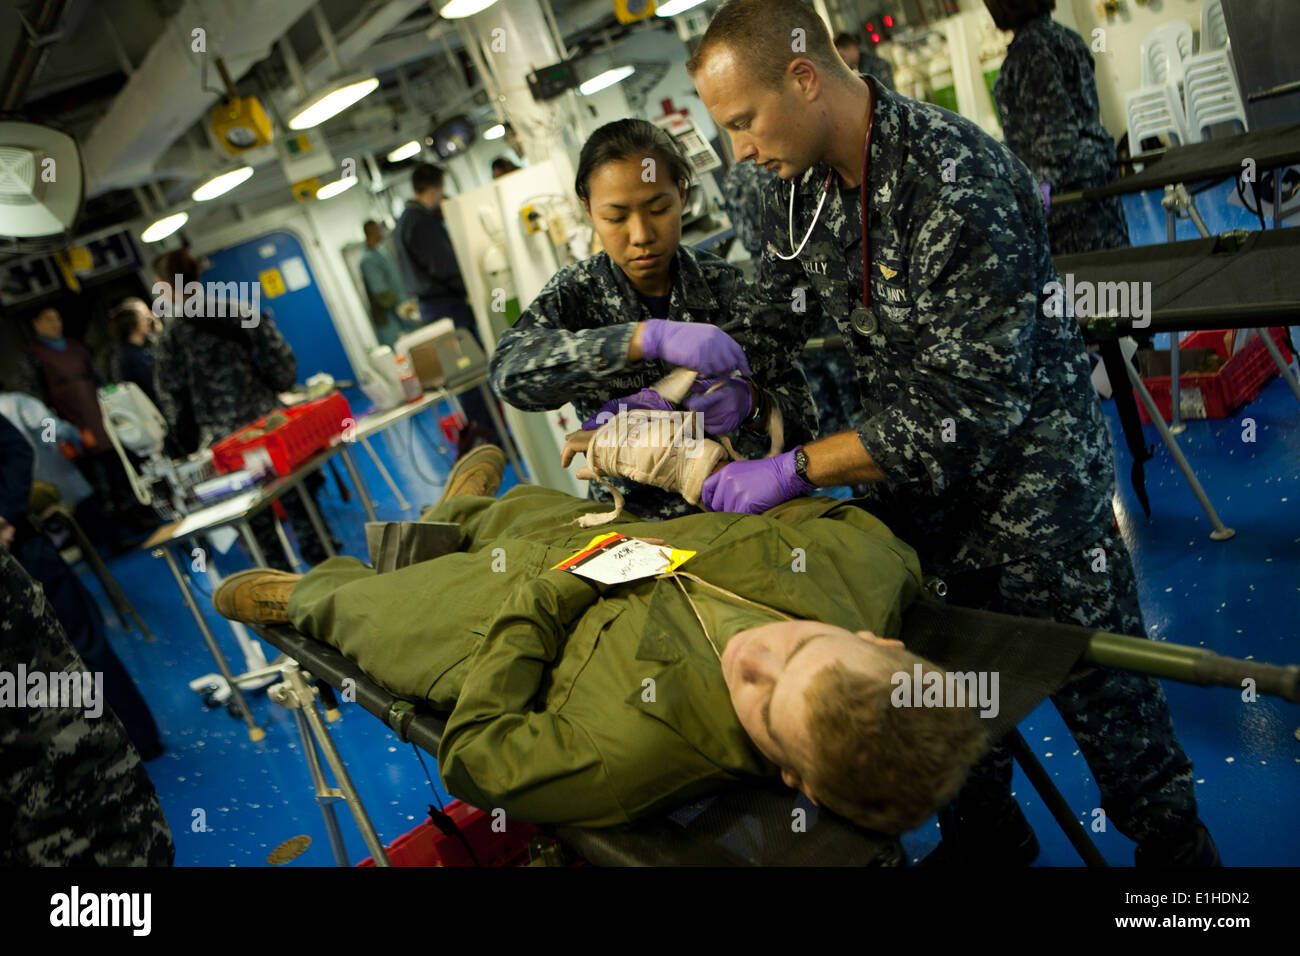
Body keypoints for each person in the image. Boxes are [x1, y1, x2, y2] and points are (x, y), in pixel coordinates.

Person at [678, 0, 1214, 865]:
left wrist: (798, 469)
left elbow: (963, 412)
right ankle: (992, 848)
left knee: (1124, 738)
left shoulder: (956, 180)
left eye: (743, 120)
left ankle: (1186, 887)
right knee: (953, 744)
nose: (739, 147)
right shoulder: (803, 189)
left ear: (805, 79)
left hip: (1037, 516)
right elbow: (783, 308)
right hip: (928, 525)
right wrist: (709, 372)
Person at [213, 449, 988, 833]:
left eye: (761, 699)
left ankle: (305, 595)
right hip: (599, 535)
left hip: (483, 618)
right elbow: (846, 523)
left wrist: (552, 597)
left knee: (372, 608)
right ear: (873, 642)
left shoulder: (630, 759)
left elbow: (477, 752)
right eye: (796, 647)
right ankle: (459, 514)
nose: (754, 655)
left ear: (797, 782)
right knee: (523, 509)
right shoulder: (866, 570)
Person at [491, 118, 800, 520]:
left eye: (658, 208)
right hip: (634, 528)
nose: (640, 235)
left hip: (736, 513)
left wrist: (754, 407)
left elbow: (802, 417)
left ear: (683, 195)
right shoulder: (577, 293)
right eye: (616, 218)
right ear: (587, 210)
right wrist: (638, 339)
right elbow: (509, 374)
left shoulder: (724, 287)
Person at [151, 248, 337, 571]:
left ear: (165, 287)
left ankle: (281, 597)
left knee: (256, 529)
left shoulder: (170, 340)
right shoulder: (241, 311)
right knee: (305, 511)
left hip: (227, 453)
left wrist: (188, 442)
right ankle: (331, 576)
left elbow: (175, 408)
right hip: (272, 433)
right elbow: (283, 372)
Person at [0, 414, 164, 761]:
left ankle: (138, 738)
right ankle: (85, 752)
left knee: (84, 644)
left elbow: (16, 451)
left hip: (22, 550)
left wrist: (5, 514)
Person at [986, 0, 1129, 256]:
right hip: (1095, 172)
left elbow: (1055, 136)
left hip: (1068, 196)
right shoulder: (1066, 37)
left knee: (1092, 280)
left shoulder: (1029, 54)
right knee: (1118, 271)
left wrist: (1037, 198)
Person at [393, 162, 499, 456]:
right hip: (447, 308)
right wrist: (473, 290)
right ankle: (492, 440)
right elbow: (443, 265)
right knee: (472, 377)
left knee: (464, 376)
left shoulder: (403, 222)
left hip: (433, 310)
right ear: (435, 187)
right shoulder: (421, 221)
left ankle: (488, 437)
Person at [358, 220, 417, 351]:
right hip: (389, 316)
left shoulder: (381, 252)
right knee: (397, 348)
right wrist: (403, 306)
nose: (382, 232)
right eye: (379, 229)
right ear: (372, 232)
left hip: (402, 306)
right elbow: (381, 292)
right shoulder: (367, 260)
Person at [107, 297, 163, 408]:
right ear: (133, 324)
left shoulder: (145, 348)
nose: (149, 321)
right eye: (143, 318)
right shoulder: (126, 356)